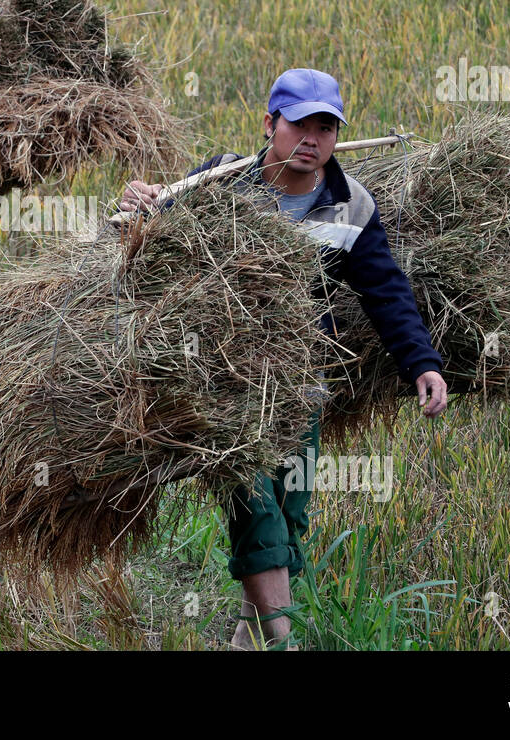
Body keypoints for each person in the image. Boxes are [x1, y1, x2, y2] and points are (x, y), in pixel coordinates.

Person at [118, 67, 449, 649]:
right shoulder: (221, 185)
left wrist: (421, 362)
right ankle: (284, 643)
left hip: (302, 382)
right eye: (299, 124)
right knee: (258, 508)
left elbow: (385, 291)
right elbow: (145, 251)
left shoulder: (352, 207)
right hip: (223, 380)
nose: (311, 139)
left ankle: (249, 640)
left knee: (290, 513)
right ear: (269, 123)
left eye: (325, 128)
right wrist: (143, 207)